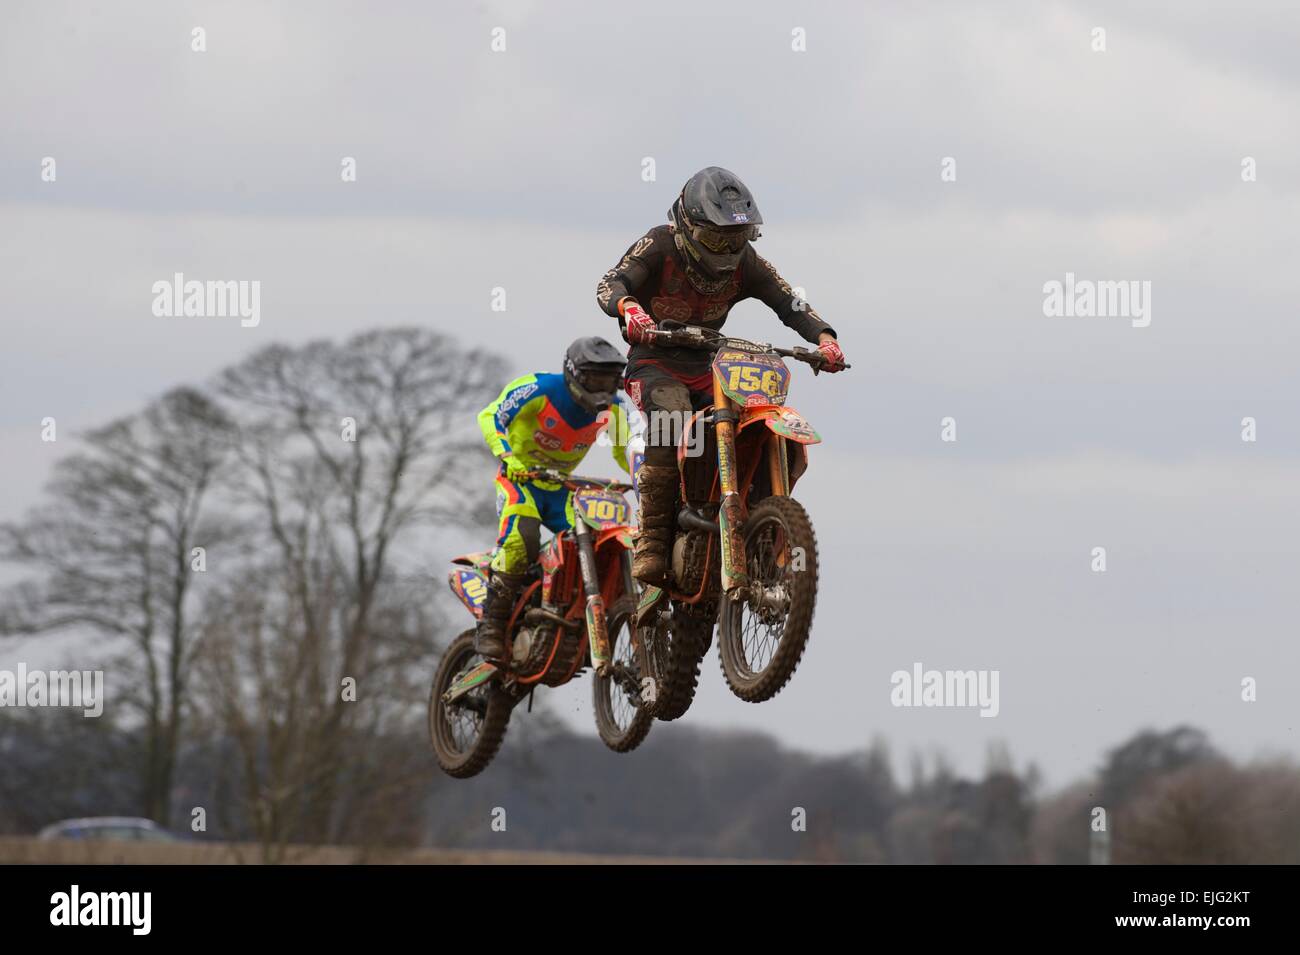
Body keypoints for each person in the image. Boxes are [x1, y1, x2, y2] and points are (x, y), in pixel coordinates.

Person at [595, 166, 846, 586]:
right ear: (688, 227)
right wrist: (630, 309)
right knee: (672, 420)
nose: (727, 249)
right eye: (716, 238)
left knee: (758, 423)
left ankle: (762, 527)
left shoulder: (745, 261)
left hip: (713, 368)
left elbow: (790, 303)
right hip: (655, 361)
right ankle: (653, 541)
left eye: (738, 237)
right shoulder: (659, 244)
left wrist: (825, 338)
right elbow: (610, 283)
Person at [473, 337, 633, 660]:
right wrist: (507, 455)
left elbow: (625, 450)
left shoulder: (613, 409)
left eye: (610, 381)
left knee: (598, 542)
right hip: (520, 482)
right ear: (575, 373)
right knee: (522, 540)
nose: (603, 390)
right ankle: (491, 624)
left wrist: (644, 473)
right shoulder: (539, 389)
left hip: (562, 489)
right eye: (596, 380)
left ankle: (582, 616)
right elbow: (490, 416)